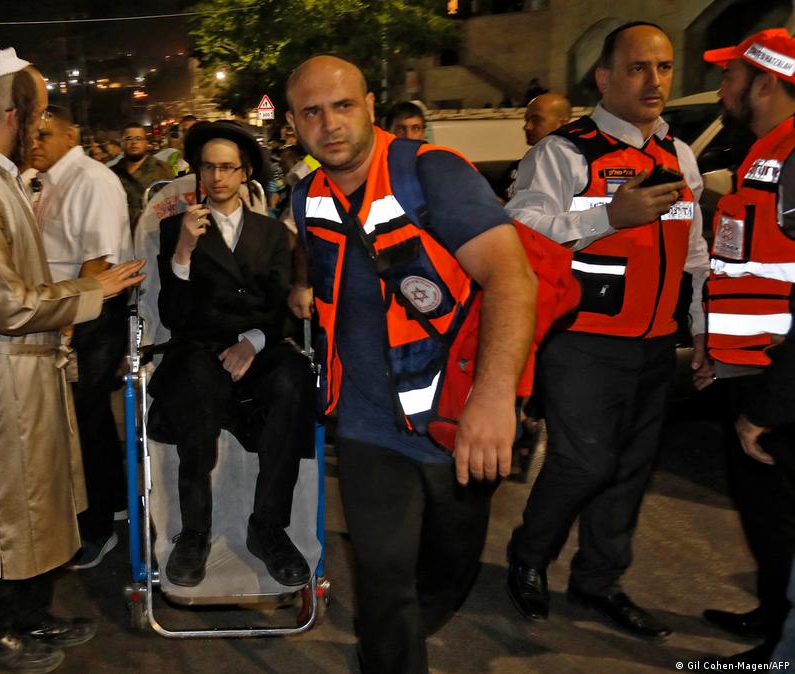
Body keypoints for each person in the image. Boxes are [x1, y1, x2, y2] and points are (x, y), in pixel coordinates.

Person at [287, 55, 537, 674]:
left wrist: (492, 396)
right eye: (312, 111)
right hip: (369, 428)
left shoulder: (434, 176)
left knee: (449, 566)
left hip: (455, 425)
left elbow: (513, 280)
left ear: (371, 104)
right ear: (293, 123)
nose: (330, 124)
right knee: (382, 578)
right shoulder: (307, 193)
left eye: (343, 105)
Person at [0, 47, 144, 672]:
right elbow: (5, 305)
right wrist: (90, 291)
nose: (45, 128)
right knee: (5, 507)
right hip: (1, 372)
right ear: (16, 114)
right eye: (41, 113)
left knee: (41, 500)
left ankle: (29, 615)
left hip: (30, 365)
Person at [505, 21, 710, 639]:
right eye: (638, 68)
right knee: (585, 462)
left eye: (665, 67)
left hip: (655, 345)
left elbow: (695, 252)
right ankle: (529, 556)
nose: (655, 81)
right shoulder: (567, 151)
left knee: (628, 470)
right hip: (583, 342)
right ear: (604, 77)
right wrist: (606, 215)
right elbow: (522, 225)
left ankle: (598, 582)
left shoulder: (679, 156)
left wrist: (701, 331)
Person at [152, 120, 314, 588]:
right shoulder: (174, 229)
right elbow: (173, 315)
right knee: (197, 385)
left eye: (227, 168)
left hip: (256, 345)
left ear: (245, 173)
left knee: (293, 377)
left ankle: (269, 526)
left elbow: (286, 310)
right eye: (208, 167)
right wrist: (182, 251)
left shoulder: (270, 234)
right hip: (199, 346)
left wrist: (254, 342)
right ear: (198, 173)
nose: (217, 177)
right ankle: (194, 531)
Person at [698, 28, 795, 663]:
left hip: (782, 381)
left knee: (781, 516)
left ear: (763, 82)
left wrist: (770, 405)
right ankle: (772, 615)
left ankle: (782, 644)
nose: (723, 87)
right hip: (752, 369)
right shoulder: (767, 151)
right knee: (764, 517)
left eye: (730, 74)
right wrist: (719, 355)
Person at [29, 104, 132, 570]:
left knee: (84, 421)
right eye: (31, 134)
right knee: (82, 421)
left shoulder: (91, 181)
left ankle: (98, 528)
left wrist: (69, 327)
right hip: (59, 313)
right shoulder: (40, 180)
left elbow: (99, 262)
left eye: (45, 134)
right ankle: (110, 501)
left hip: (91, 316)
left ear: (71, 134)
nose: (35, 143)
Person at [497, 92, 572, 202]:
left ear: (562, 125)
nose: (527, 127)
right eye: (526, 120)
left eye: (537, 120)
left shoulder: (577, 169)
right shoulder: (517, 167)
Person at [110, 122, 175, 230]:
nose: (134, 142)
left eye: (138, 138)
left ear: (146, 143)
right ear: (121, 143)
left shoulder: (161, 169)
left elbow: (173, 203)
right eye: (128, 138)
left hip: (154, 235)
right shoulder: (112, 173)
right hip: (122, 236)